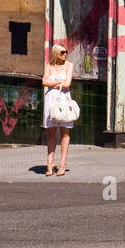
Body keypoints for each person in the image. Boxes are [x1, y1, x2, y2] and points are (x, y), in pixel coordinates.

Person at [42, 44, 74, 176]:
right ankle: (50, 164)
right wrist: (58, 83)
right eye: (62, 52)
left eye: (66, 52)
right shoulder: (49, 66)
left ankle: (62, 164)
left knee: (65, 132)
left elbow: (67, 84)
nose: (65, 54)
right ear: (56, 53)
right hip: (51, 101)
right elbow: (44, 81)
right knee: (51, 133)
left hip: (64, 100)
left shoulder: (69, 65)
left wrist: (53, 83)